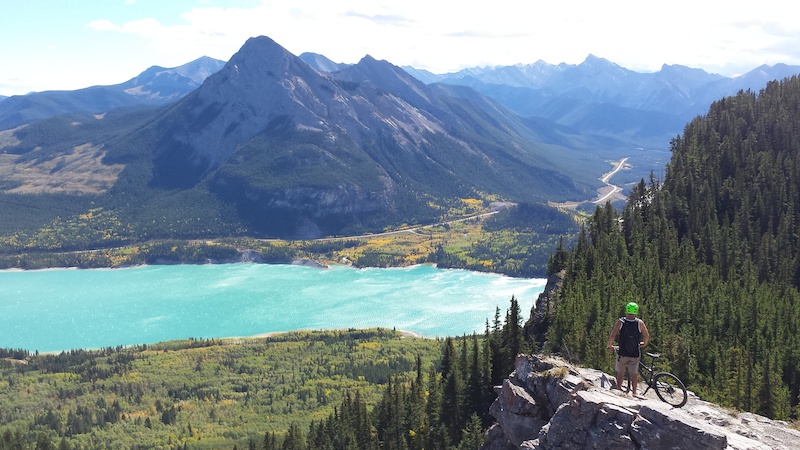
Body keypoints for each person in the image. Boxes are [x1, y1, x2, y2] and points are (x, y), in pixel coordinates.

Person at [607, 301, 650, 396]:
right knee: (634, 374)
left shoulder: (621, 322)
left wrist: (610, 345)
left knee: (620, 372)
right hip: (635, 353)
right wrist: (644, 344)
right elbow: (646, 335)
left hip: (622, 352)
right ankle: (634, 393)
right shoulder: (640, 323)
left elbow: (613, 335)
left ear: (626, 310)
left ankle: (618, 390)